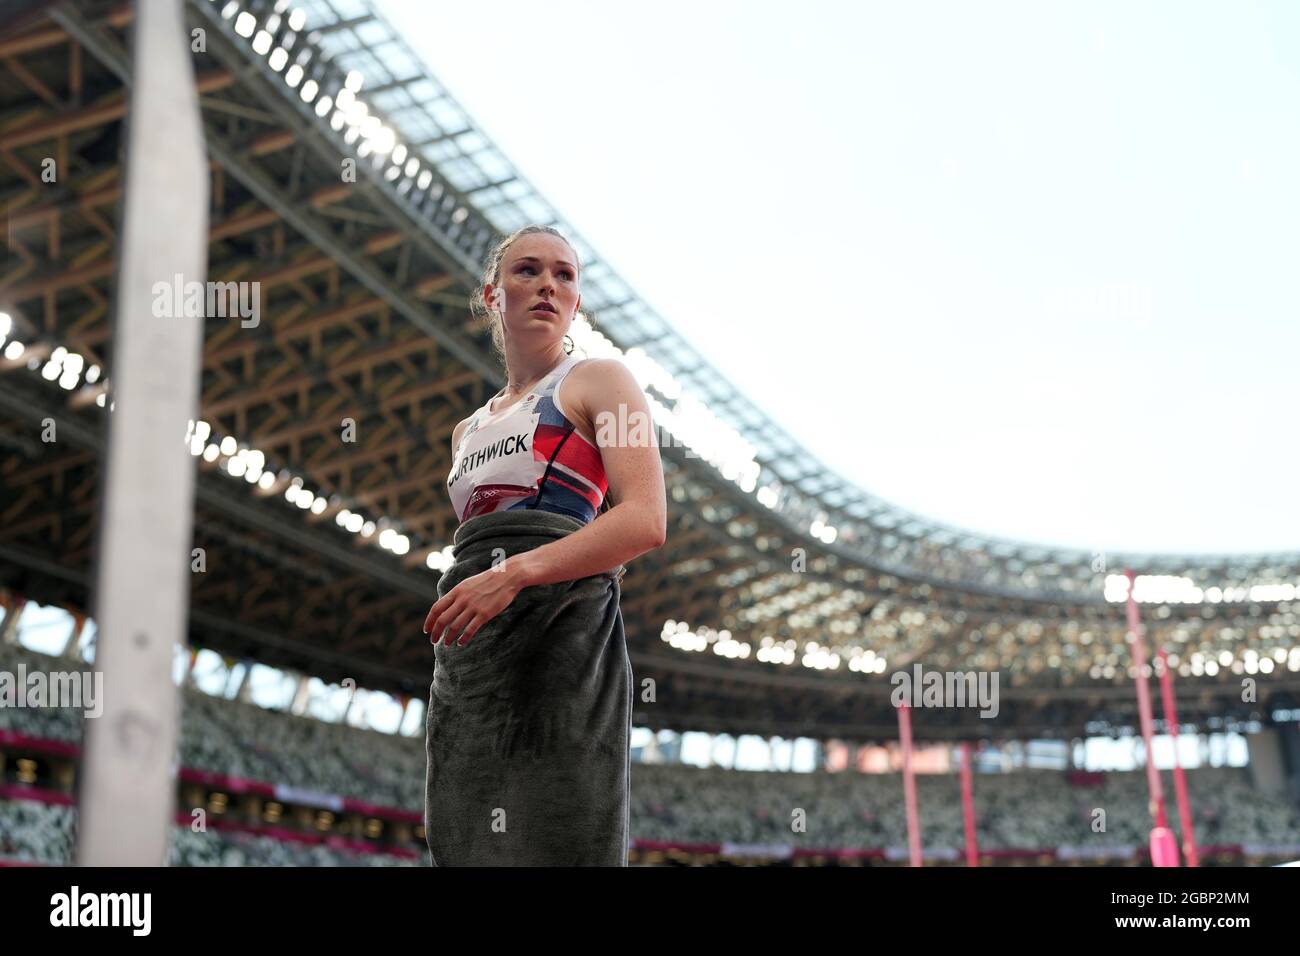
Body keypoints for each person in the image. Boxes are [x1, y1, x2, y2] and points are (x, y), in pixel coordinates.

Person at [422, 225, 667, 865]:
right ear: (492, 295)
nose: (548, 286)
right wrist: (487, 581)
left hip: (562, 640)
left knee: (562, 834)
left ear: (576, 303)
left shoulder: (602, 382)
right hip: (474, 663)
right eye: (527, 271)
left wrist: (516, 574)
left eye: (565, 276)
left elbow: (645, 519)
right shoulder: (465, 431)